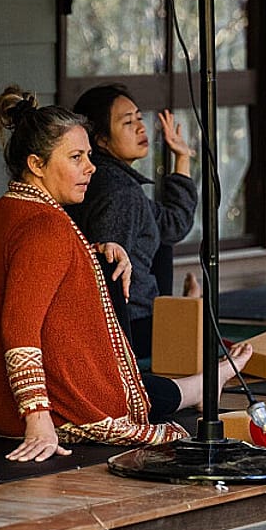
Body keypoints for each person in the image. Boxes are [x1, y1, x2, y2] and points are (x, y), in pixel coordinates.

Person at [0, 86, 250, 462]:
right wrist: (37, 417)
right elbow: (19, 328)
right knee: (118, 398)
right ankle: (204, 386)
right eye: (75, 157)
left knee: (122, 385)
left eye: (88, 155)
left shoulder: (5, 212)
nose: (90, 167)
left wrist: (94, 253)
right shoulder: (45, 226)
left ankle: (202, 386)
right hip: (37, 412)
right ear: (36, 164)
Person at [67, 84, 198, 362]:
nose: (141, 127)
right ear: (101, 139)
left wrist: (183, 158)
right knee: (213, 347)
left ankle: (180, 309)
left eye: (139, 117)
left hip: (135, 321)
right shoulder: (119, 192)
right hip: (129, 329)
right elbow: (108, 275)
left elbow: (171, 226)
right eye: (128, 122)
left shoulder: (113, 181)